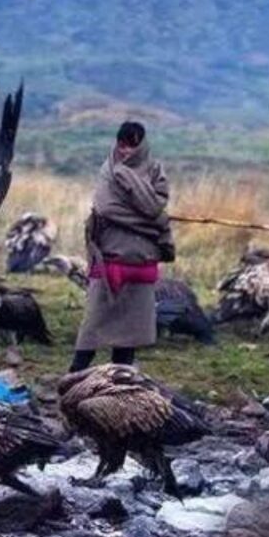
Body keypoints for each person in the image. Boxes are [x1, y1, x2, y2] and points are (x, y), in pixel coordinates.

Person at [70, 121, 174, 371]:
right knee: (93, 325)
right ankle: (74, 377)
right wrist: (153, 223)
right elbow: (107, 208)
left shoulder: (155, 169)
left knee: (130, 331)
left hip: (141, 260)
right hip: (109, 258)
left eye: (132, 145)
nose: (126, 150)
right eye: (122, 144)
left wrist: (151, 214)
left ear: (142, 145)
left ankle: (119, 380)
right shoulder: (109, 170)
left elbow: (158, 203)